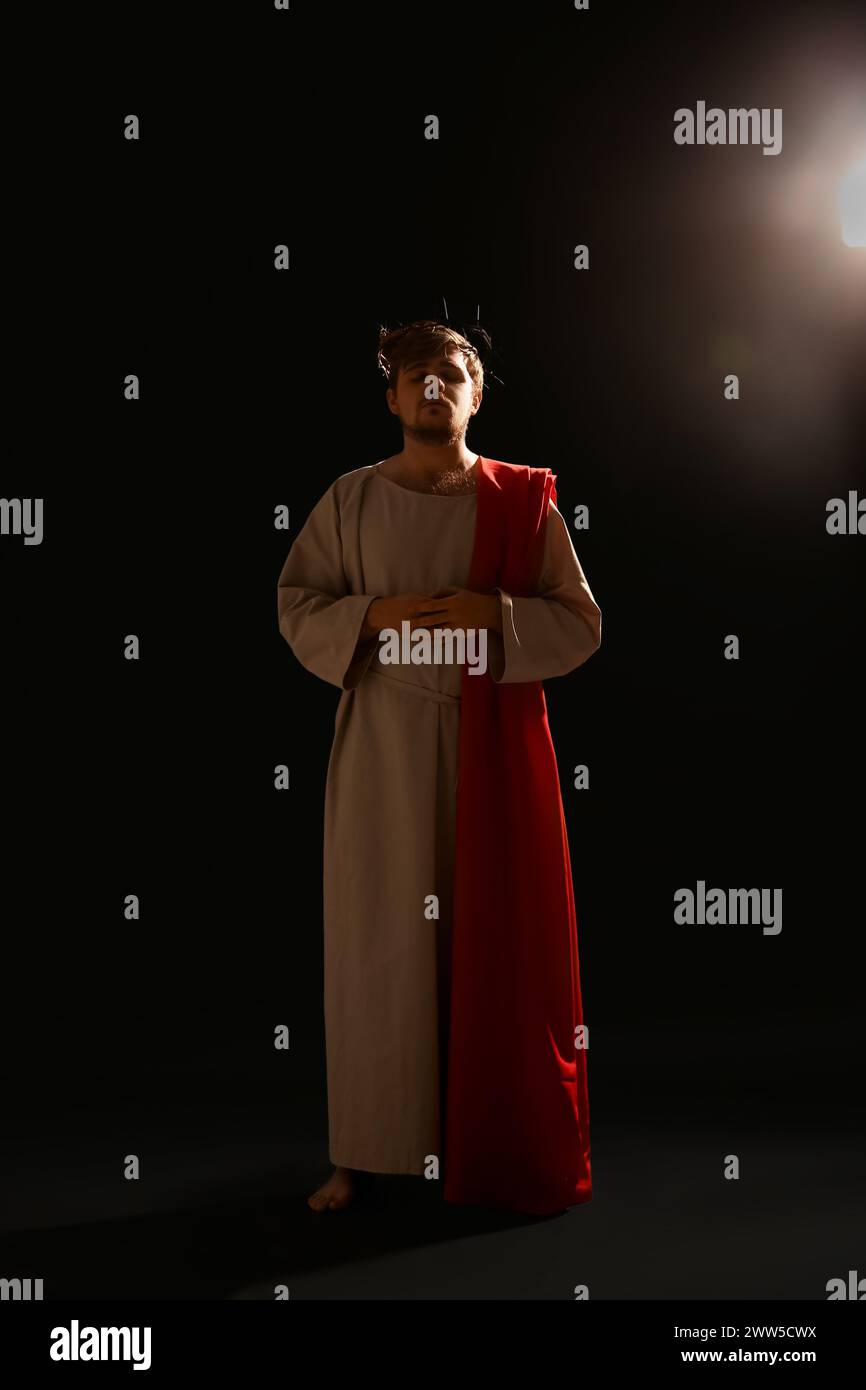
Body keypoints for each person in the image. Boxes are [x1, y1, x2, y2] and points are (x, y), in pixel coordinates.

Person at [277, 320, 602, 1215]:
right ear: (391, 396)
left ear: (476, 394)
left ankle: (481, 1141)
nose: (434, 388)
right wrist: (375, 616)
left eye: (452, 374)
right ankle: (363, 1154)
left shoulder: (519, 500)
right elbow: (298, 604)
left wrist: (491, 611)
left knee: (485, 940)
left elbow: (580, 622)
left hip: (488, 747)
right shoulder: (349, 500)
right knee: (377, 948)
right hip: (382, 744)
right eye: (417, 374)